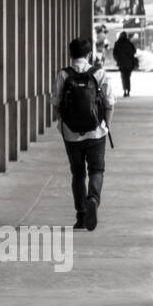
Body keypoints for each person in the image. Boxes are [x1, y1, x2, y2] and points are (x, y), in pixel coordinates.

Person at [52, 38, 116, 231]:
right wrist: (106, 125)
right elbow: (110, 103)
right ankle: (93, 200)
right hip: (96, 133)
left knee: (78, 174)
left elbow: (56, 103)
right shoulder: (99, 73)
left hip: (71, 134)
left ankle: (81, 216)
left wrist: (63, 123)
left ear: (70, 55)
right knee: (97, 170)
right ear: (89, 54)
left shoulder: (63, 74)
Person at [112, 31, 137, 97]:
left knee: (123, 77)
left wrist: (118, 60)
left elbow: (115, 54)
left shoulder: (117, 43)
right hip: (129, 63)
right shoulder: (129, 43)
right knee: (128, 77)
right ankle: (128, 90)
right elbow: (134, 51)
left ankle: (125, 90)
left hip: (121, 63)